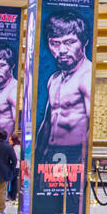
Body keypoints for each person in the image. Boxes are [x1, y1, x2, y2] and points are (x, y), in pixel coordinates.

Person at [38, 10, 92, 166]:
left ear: (84, 42)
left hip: (74, 153)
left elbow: (91, 124)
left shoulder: (85, 77)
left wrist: (82, 159)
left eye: (69, 42)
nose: (62, 50)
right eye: (55, 43)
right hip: (51, 153)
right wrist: (38, 154)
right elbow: (47, 123)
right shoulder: (54, 80)